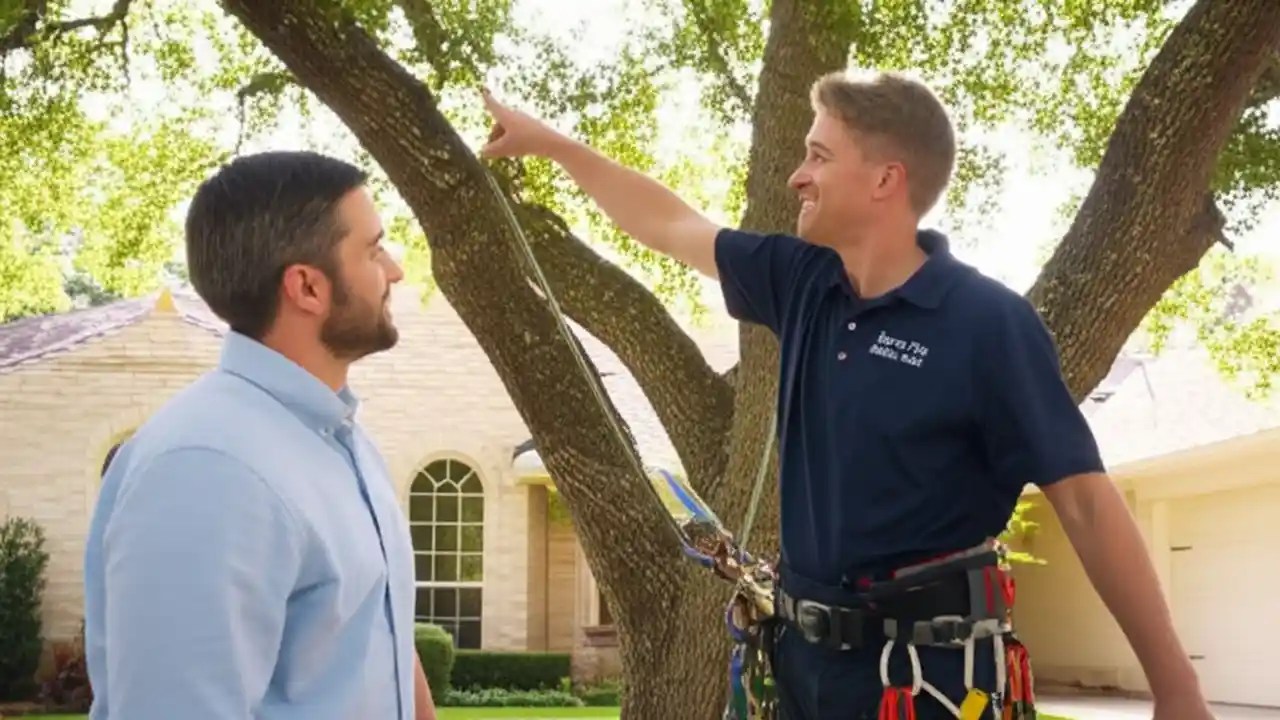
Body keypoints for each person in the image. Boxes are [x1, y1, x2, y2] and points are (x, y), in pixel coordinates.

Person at [478, 71, 1213, 719]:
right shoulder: (803, 283)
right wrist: (553, 146)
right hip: (801, 667)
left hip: (927, 681)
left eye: (819, 156)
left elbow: (1084, 503)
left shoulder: (987, 324)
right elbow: (671, 225)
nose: (798, 176)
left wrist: (1175, 686)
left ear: (885, 179)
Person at [82, 150, 436, 720]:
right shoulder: (206, 469)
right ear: (307, 288)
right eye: (373, 251)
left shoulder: (341, 442)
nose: (394, 270)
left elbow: (377, 634)